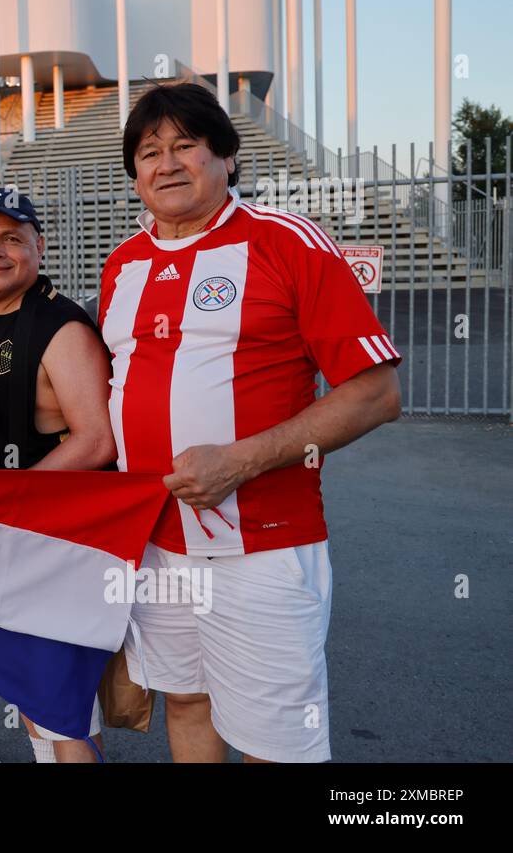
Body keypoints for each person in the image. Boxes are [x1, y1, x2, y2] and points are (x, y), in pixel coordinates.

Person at [101, 82, 401, 763]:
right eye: (150, 152)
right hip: (154, 543)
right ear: (135, 175)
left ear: (227, 157)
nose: (167, 163)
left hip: (261, 544)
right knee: (186, 701)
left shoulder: (283, 240)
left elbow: (377, 392)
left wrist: (240, 460)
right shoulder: (122, 265)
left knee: (276, 742)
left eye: (185, 146)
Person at [0, 187, 117, 763]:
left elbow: (97, 440)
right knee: (40, 699)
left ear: (38, 247)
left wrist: (13, 502)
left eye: (11, 239)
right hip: (7, 538)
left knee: (56, 702)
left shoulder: (60, 328)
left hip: (50, 541)